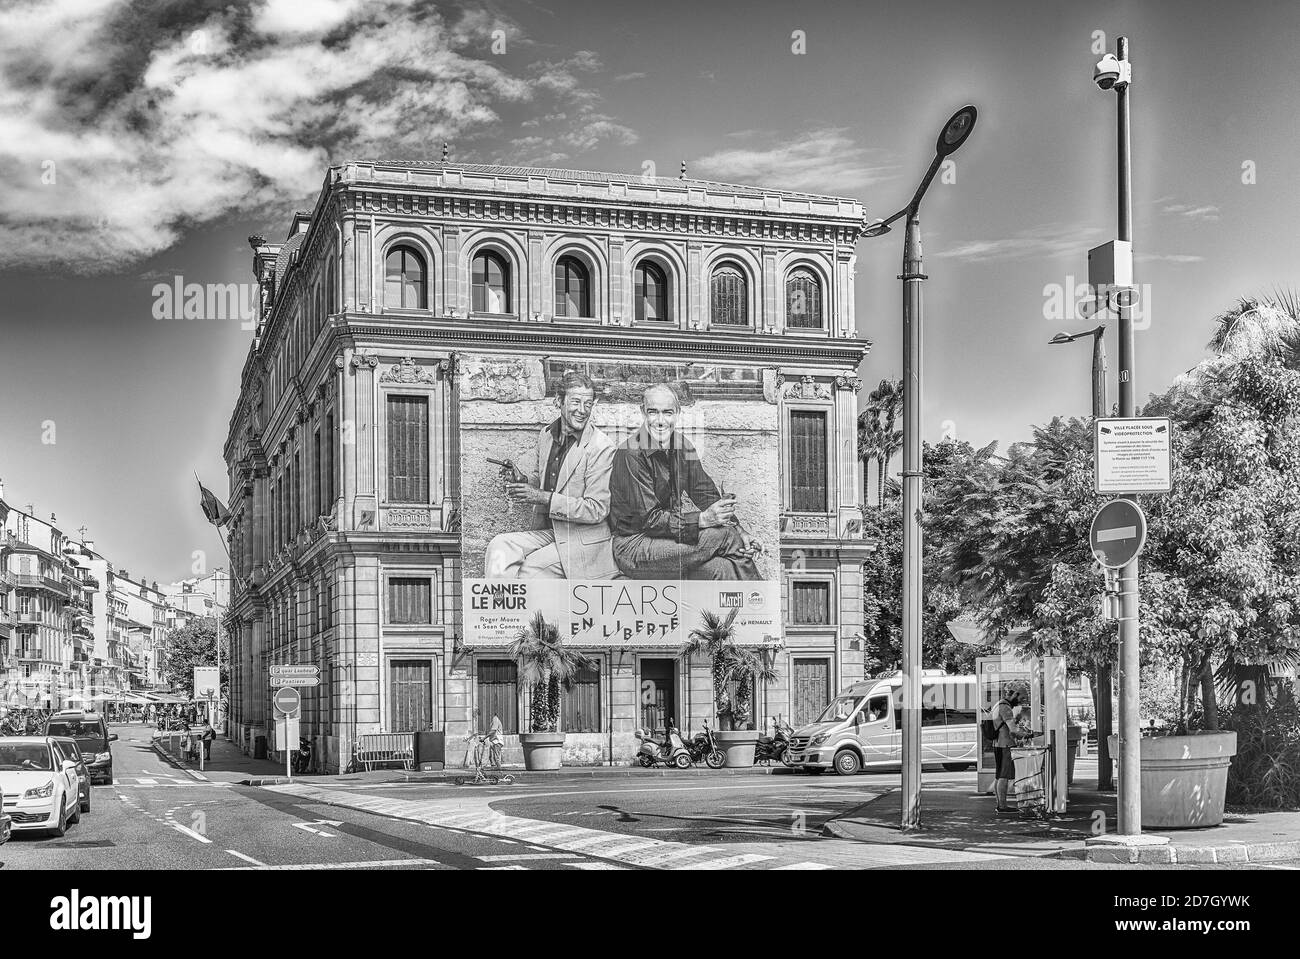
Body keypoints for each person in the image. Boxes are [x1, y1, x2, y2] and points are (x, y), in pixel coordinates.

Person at [609, 383, 763, 580]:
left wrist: (740, 531)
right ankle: (759, 604)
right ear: (642, 412)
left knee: (721, 567)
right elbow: (650, 521)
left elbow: (706, 495)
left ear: (678, 413)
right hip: (633, 546)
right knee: (724, 536)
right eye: (653, 412)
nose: (661, 421)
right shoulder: (630, 454)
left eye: (668, 413)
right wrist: (702, 520)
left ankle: (742, 608)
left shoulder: (682, 446)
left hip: (666, 540)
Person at [483, 371, 621, 580]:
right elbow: (544, 480)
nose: (582, 411)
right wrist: (523, 480)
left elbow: (596, 509)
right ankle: (502, 613)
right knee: (499, 547)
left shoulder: (601, 447)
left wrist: (542, 497)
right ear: (559, 401)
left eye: (588, 404)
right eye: (575, 402)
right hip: (551, 533)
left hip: (581, 541)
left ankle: (514, 612)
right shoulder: (546, 435)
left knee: (528, 571)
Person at [992, 681, 1036, 815]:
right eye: (1021, 698)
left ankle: (1000, 804)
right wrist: (1029, 734)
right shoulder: (1005, 707)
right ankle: (1002, 806)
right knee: (1004, 776)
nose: (1021, 701)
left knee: (999, 776)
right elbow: (1013, 730)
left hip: (998, 743)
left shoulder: (998, 704)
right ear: (1015, 694)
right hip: (1005, 745)